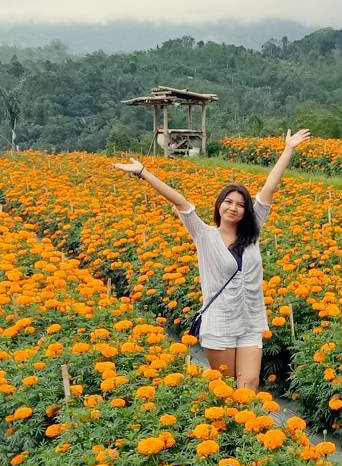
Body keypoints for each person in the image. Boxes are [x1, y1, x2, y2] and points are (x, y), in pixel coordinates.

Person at [113, 128, 310, 390]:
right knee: (227, 387)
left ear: (245, 211)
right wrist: (142, 172)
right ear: (219, 205)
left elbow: (269, 188)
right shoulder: (204, 234)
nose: (233, 207)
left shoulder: (253, 233)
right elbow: (181, 202)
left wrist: (289, 149)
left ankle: (249, 428)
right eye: (228, 202)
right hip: (220, 322)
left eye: (240, 204)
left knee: (249, 383)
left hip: (250, 320)